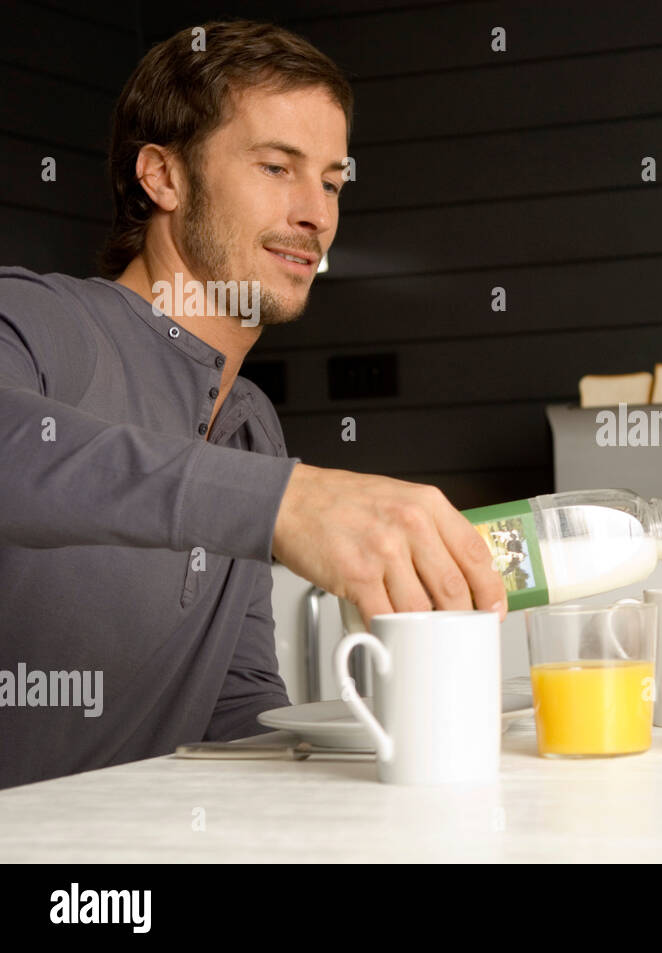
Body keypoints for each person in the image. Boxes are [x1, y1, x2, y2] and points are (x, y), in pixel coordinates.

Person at [0, 20, 504, 789]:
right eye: (277, 167)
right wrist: (285, 502)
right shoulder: (47, 323)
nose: (317, 215)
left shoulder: (251, 428)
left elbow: (235, 705)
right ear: (162, 177)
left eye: (332, 182)